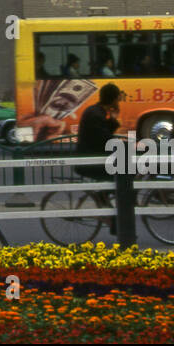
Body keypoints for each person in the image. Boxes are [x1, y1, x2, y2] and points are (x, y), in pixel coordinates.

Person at [75, 83, 121, 234]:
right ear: (113, 100)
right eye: (118, 99)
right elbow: (103, 139)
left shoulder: (98, 112)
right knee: (122, 176)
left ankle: (105, 198)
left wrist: (113, 119)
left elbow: (104, 135)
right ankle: (104, 197)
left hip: (95, 157)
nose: (119, 102)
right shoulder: (95, 114)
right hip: (89, 162)